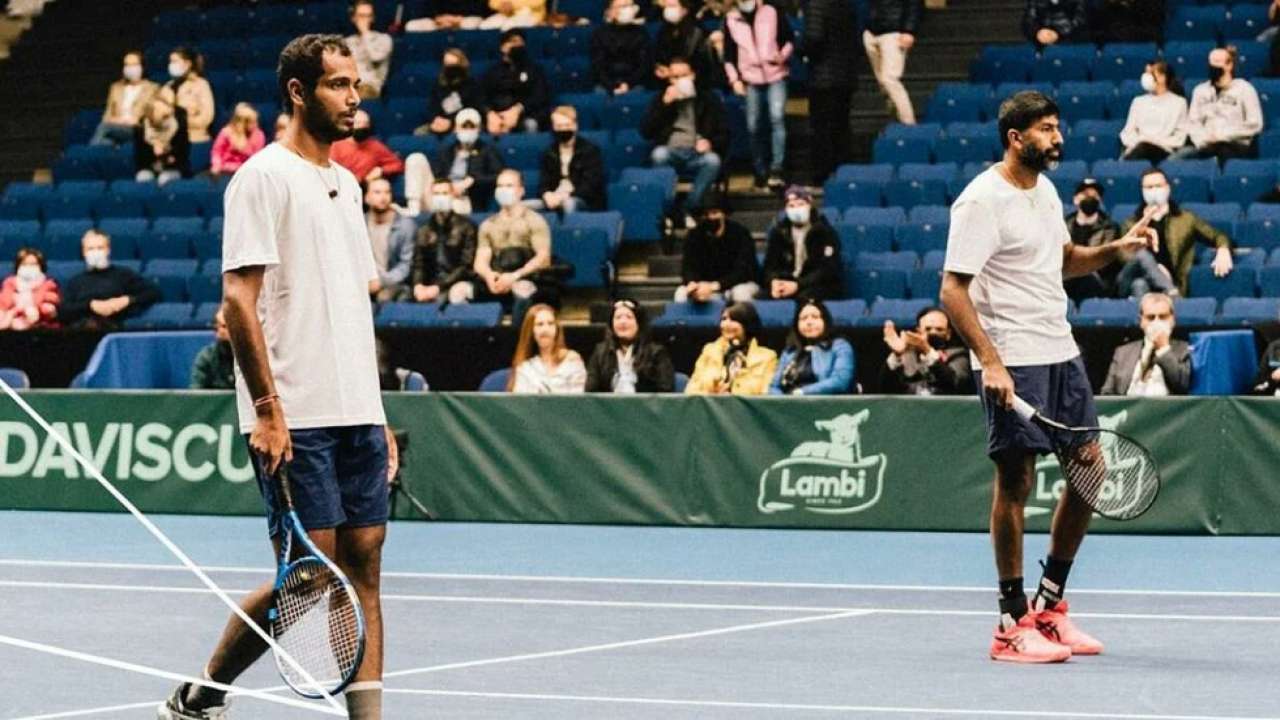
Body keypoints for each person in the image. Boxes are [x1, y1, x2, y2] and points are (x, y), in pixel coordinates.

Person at [157, 34, 395, 720]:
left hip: (354, 411)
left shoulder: (347, 185)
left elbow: (353, 308)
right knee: (311, 578)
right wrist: (267, 408)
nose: (354, 97)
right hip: (295, 412)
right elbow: (238, 300)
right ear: (298, 91)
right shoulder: (260, 177)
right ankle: (207, 690)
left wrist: (377, 413)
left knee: (366, 570)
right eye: (338, 85)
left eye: (356, 85)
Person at [939, 91, 1160, 663]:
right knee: (1016, 483)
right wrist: (990, 361)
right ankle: (1011, 621)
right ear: (1016, 138)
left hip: (1059, 350)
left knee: (1090, 470)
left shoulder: (1046, 191)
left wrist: (1117, 248)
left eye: (1058, 127)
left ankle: (1050, 605)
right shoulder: (981, 201)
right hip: (1012, 354)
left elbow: (1061, 261)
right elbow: (952, 290)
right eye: (1046, 129)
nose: (1058, 138)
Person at [1116, 168, 1233, 298]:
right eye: (1149, 187)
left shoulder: (1186, 219)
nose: (1154, 190)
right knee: (1142, 256)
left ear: (1168, 188)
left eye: (1158, 186)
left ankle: (1164, 297)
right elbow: (1122, 256)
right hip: (1133, 276)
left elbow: (1217, 236)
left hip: (1171, 280)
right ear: (1142, 191)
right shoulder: (1131, 223)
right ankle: (1173, 294)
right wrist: (1155, 268)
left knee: (1139, 285)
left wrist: (1223, 249)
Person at [642, 56, 728, 220]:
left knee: (713, 161)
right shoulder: (661, 98)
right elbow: (646, 131)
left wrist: (710, 142)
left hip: (697, 154)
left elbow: (724, 133)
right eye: (675, 77)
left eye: (684, 76)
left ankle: (689, 207)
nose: (679, 81)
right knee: (659, 154)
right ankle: (667, 208)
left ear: (692, 75)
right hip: (671, 152)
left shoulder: (708, 100)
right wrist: (664, 104)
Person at [723, 0, 794, 189]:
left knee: (777, 117)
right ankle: (759, 170)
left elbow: (789, 39)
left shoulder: (772, 11)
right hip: (750, 77)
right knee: (753, 125)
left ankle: (777, 168)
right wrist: (735, 80)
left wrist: (782, 55)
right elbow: (728, 55)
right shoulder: (731, 19)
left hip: (775, 73)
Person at [473, 169, 552, 324]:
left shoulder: (534, 220)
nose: (503, 190)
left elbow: (543, 258)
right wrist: (489, 276)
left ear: (521, 190)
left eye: (509, 185)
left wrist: (515, 276)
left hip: (525, 276)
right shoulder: (487, 225)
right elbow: (480, 260)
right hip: (497, 277)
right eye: (500, 186)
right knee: (461, 292)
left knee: (523, 290)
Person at [1170, 47, 1264, 163]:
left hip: (1234, 144)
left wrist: (1224, 135)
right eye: (1211, 62)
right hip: (1205, 145)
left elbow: (1255, 124)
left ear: (1229, 65)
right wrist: (1203, 140)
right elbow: (1193, 123)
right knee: (1175, 159)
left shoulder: (1245, 89)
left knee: (1222, 153)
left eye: (1218, 62)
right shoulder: (1200, 90)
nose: (1214, 67)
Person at [804, 0, 860, 184]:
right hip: (846, 76)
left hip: (823, 77)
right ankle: (843, 172)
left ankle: (823, 175)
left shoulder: (816, 5)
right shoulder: (847, 5)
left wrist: (802, 53)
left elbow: (814, 38)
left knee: (822, 129)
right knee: (841, 127)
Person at [61, 229, 160, 329]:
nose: (95, 252)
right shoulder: (76, 281)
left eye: (100, 248)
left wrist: (127, 300)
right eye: (90, 249)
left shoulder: (123, 274)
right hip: (82, 331)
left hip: (116, 327)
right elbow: (64, 310)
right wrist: (91, 305)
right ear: (83, 252)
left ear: (108, 250)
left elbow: (152, 292)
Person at [1099, 292, 1191, 396]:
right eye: (1151, 317)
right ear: (1141, 321)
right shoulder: (1122, 353)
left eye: (1163, 317)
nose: (1157, 323)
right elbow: (1107, 394)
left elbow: (1184, 387)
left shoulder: (1186, 350)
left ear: (1172, 320)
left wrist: (1163, 349)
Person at [761, 186, 843, 300]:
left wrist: (799, 285)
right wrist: (774, 282)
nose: (796, 209)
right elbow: (770, 266)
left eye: (800, 204)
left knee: (804, 298)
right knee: (760, 298)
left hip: (817, 285)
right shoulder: (779, 231)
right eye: (791, 206)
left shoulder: (824, 231)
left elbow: (827, 269)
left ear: (809, 205)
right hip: (788, 282)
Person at [676, 192, 760, 303]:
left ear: (724, 214)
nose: (710, 218)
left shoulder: (740, 234)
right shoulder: (694, 235)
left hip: (737, 284)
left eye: (714, 213)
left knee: (740, 293)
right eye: (706, 214)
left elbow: (744, 271)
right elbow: (688, 266)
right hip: (703, 286)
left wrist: (715, 286)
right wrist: (693, 283)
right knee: (681, 293)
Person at [685, 301, 778, 395]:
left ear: (747, 324)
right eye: (724, 319)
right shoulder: (709, 351)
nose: (726, 324)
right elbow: (691, 391)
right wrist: (713, 394)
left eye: (733, 320)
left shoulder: (767, 357)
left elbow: (766, 394)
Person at [411, 178, 479, 304]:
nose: (440, 198)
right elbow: (418, 263)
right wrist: (418, 285)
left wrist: (438, 287)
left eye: (444, 193)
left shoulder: (467, 226)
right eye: (436, 194)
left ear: (453, 195)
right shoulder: (424, 229)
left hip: (456, 282)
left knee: (449, 296)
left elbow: (466, 266)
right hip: (430, 284)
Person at [423, 107, 504, 214]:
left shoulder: (487, 150)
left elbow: (500, 176)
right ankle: (414, 206)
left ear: (479, 129)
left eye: (472, 127)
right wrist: (448, 187)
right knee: (416, 159)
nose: (468, 131)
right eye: (464, 127)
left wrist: (473, 180)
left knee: (454, 207)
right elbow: (437, 173)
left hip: (465, 198)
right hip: (440, 192)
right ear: (456, 128)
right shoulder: (447, 150)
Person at [585, 298, 676, 392]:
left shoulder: (657, 353)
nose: (623, 322)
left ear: (639, 323)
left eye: (629, 317)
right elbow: (591, 391)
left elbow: (665, 392)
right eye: (618, 317)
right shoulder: (600, 352)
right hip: (608, 406)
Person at [879, 306, 973, 395]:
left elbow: (956, 383)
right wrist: (897, 354)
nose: (933, 332)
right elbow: (885, 387)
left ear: (948, 334)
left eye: (939, 329)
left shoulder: (959, 355)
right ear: (918, 331)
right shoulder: (906, 356)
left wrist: (928, 351)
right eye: (928, 329)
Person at [769, 297, 854, 395]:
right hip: (790, 405)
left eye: (815, 317)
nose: (809, 322)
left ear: (825, 321)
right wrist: (782, 402)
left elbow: (840, 381)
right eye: (803, 318)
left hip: (826, 405)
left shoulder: (840, 346)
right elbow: (774, 386)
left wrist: (803, 392)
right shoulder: (790, 351)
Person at [532, 106, 606, 213]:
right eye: (559, 126)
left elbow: (590, 185)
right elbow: (543, 183)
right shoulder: (548, 152)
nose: (563, 129)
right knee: (526, 206)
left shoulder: (590, 150)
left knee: (569, 203)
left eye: (567, 125)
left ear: (575, 125)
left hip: (581, 199)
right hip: (554, 198)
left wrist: (566, 195)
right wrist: (546, 195)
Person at [482, 30, 552, 135]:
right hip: (497, 115)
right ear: (503, 47)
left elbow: (540, 95)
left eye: (520, 42)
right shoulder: (492, 72)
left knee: (530, 124)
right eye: (513, 41)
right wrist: (490, 114)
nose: (517, 45)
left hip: (526, 115)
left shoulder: (534, 69)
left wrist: (518, 110)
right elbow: (482, 96)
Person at [863, 0, 921, 125]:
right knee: (884, 86)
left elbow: (914, 4)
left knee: (889, 79)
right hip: (871, 31)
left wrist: (909, 30)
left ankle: (909, 125)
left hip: (894, 32)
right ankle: (896, 123)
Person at [1119, 60, 1188, 163]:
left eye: (1150, 73)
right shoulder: (1138, 101)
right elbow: (1127, 132)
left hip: (1163, 150)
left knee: (1144, 148)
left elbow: (1180, 136)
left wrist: (1155, 141)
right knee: (1141, 149)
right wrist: (1139, 141)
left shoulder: (1179, 103)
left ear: (1162, 77)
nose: (1146, 77)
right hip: (1138, 147)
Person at [1063, 178, 1121, 301]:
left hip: (1096, 281)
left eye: (1095, 195)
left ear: (1099, 200)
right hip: (1066, 279)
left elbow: (1102, 260)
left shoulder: (1110, 227)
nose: (1090, 198)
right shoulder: (1062, 225)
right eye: (1085, 194)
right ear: (1075, 199)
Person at [508, 303, 586, 392]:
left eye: (550, 323)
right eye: (540, 324)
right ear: (531, 331)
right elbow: (520, 404)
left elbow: (580, 401)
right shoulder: (524, 367)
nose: (546, 329)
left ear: (557, 329)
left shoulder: (572, 360)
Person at [91, 50, 159, 146]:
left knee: (104, 128)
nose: (130, 68)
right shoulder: (115, 87)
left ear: (142, 67)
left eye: (134, 64)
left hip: (137, 129)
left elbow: (154, 116)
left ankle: (89, 155)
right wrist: (118, 120)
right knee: (107, 142)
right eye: (127, 65)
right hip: (117, 126)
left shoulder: (153, 88)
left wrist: (135, 120)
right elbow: (106, 116)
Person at [365, 177, 417, 301]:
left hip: (394, 284)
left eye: (387, 192)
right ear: (366, 197)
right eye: (377, 192)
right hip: (364, 282)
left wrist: (381, 282)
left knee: (384, 297)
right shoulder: (359, 225)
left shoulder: (405, 225)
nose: (383, 197)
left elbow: (406, 265)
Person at [590, 0, 653, 95]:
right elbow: (598, 65)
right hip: (606, 84)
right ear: (611, 11)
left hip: (635, 84)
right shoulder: (600, 34)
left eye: (629, 5)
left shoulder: (642, 33)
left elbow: (645, 64)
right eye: (623, 6)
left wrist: (628, 84)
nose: (627, 9)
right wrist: (611, 85)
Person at [330, 109, 405, 186]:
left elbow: (398, 164)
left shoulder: (375, 146)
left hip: (366, 187)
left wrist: (381, 170)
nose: (362, 126)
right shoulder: (336, 145)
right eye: (358, 123)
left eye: (366, 123)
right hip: (342, 186)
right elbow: (329, 170)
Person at [420, 48, 485, 137]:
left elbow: (475, 108)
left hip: (464, 122)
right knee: (420, 133)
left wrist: (452, 122)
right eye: (447, 65)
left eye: (454, 65)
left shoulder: (472, 84)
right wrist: (435, 119)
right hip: (441, 122)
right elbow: (432, 106)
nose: (450, 69)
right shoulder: (439, 84)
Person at [160, 46, 215, 143]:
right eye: (170, 62)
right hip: (169, 137)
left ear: (188, 64)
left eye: (175, 62)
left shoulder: (201, 84)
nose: (171, 65)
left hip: (194, 136)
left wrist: (182, 122)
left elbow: (206, 117)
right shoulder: (168, 86)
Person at [134, 93, 190, 184]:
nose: (168, 119)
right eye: (164, 116)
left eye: (169, 114)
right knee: (143, 177)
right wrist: (153, 148)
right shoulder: (141, 130)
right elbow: (140, 160)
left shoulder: (179, 127)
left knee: (164, 178)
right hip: (150, 167)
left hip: (173, 169)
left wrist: (165, 152)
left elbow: (182, 156)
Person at [654, 0, 713, 85]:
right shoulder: (664, 30)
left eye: (672, 6)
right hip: (668, 79)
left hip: (693, 80)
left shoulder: (697, 30)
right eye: (666, 7)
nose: (668, 10)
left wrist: (680, 70)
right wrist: (661, 68)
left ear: (685, 10)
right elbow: (659, 56)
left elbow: (701, 62)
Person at [0, 247, 60, 331]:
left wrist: (36, 308)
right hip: (10, 330)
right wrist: (15, 310)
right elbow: (4, 303)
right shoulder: (9, 284)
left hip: (40, 330)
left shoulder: (49, 285)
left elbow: (50, 307)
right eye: (24, 264)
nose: (29, 268)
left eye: (33, 264)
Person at [346, 0, 394, 99]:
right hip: (349, 85)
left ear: (372, 18)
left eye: (368, 16)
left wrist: (365, 33)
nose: (365, 20)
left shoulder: (384, 39)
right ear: (354, 18)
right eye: (361, 16)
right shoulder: (348, 41)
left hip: (369, 85)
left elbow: (375, 57)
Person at [210, 102, 266, 178]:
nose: (254, 124)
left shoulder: (259, 135)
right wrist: (216, 165)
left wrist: (242, 142)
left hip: (246, 172)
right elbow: (216, 151)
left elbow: (256, 158)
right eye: (248, 120)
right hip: (224, 169)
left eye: (255, 121)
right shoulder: (226, 132)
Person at [189, 308, 235, 390]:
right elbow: (196, 393)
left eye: (225, 326)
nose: (220, 331)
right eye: (218, 326)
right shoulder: (207, 357)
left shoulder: (248, 357)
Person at [1091, 0, 1165, 44]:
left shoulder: (1149, 7)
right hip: (1113, 44)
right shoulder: (1103, 11)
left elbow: (1155, 28)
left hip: (1143, 42)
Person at [1022, 0, 1088, 47]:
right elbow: (1028, 20)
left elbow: (1081, 19)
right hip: (1040, 44)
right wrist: (1038, 33)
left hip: (1072, 43)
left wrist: (1058, 34)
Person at [404, 0, 487, 31]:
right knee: (411, 26)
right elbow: (425, 8)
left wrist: (457, 20)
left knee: (471, 24)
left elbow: (478, 8)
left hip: (464, 19)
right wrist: (438, 19)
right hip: (438, 21)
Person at [480, 0, 546, 30]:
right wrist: (500, 5)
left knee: (509, 25)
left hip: (531, 15)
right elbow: (492, 3)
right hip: (506, 14)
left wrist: (512, 5)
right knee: (484, 26)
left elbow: (539, 2)